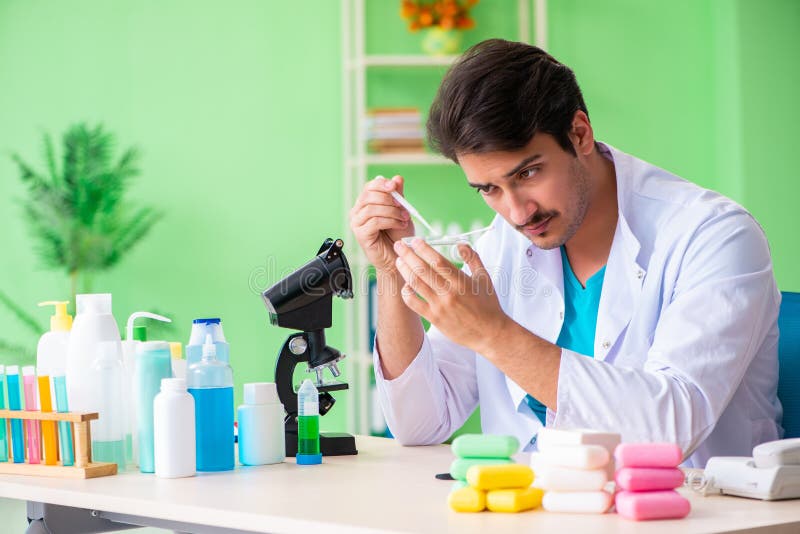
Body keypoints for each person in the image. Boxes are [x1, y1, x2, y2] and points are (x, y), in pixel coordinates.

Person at [348, 39, 782, 467]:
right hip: (536, 501)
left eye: (528, 173)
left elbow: (668, 432)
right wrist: (391, 269)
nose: (517, 212)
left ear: (579, 134)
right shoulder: (504, 243)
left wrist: (492, 333)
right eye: (489, 189)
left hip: (686, 503)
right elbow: (420, 425)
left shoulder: (714, 236)